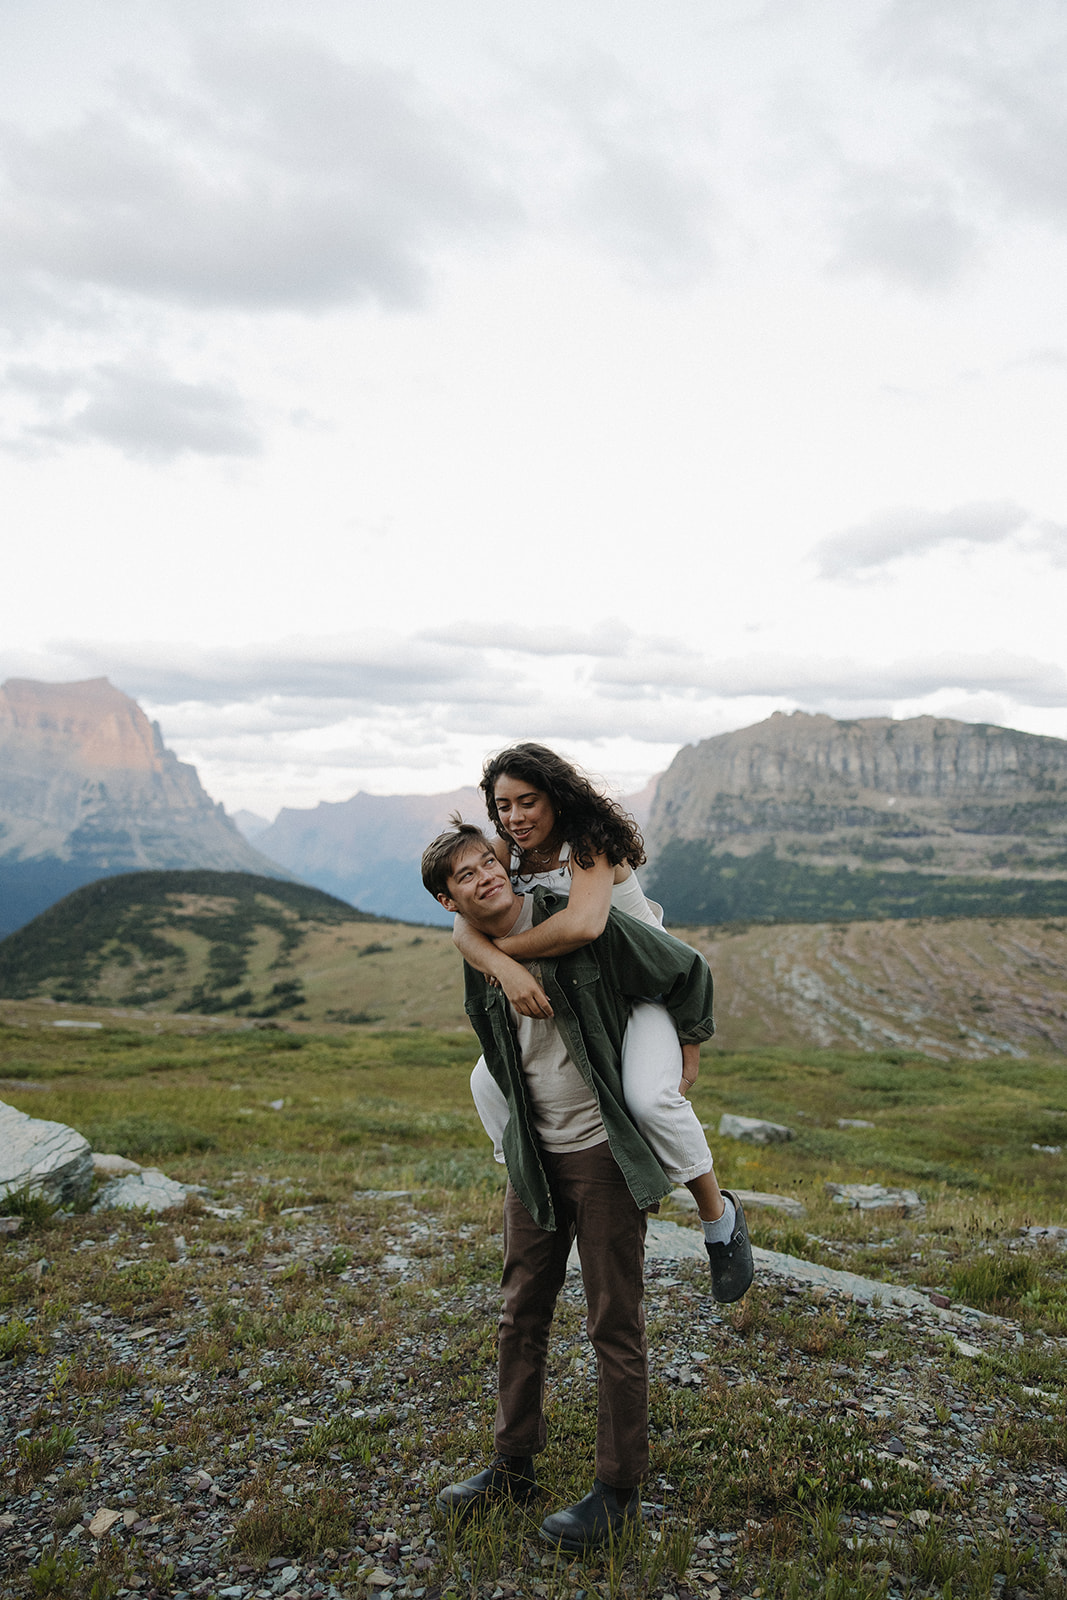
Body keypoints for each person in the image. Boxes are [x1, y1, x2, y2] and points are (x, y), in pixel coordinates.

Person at [421, 820, 753, 1551]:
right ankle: (512, 1466)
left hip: (601, 1154)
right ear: (450, 903)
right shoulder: (476, 957)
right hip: (535, 1159)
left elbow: (683, 966)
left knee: (613, 1323)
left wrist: (689, 1046)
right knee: (519, 1315)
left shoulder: (578, 922)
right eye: (466, 877)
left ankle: (617, 1493)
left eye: (487, 863)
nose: (485, 877)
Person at [453, 742, 740, 1274]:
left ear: (556, 798)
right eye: (503, 806)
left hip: (640, 990)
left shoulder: (589, 842)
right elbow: (462, 926)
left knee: (651, 1101)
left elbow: (584, 925)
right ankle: (532, 1178)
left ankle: (718, 1218)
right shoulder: (504, 851)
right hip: (582, 993)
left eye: (528, 802)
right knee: (485, 1084)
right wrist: (506, 971)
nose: (514, 817)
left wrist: (505, 954)